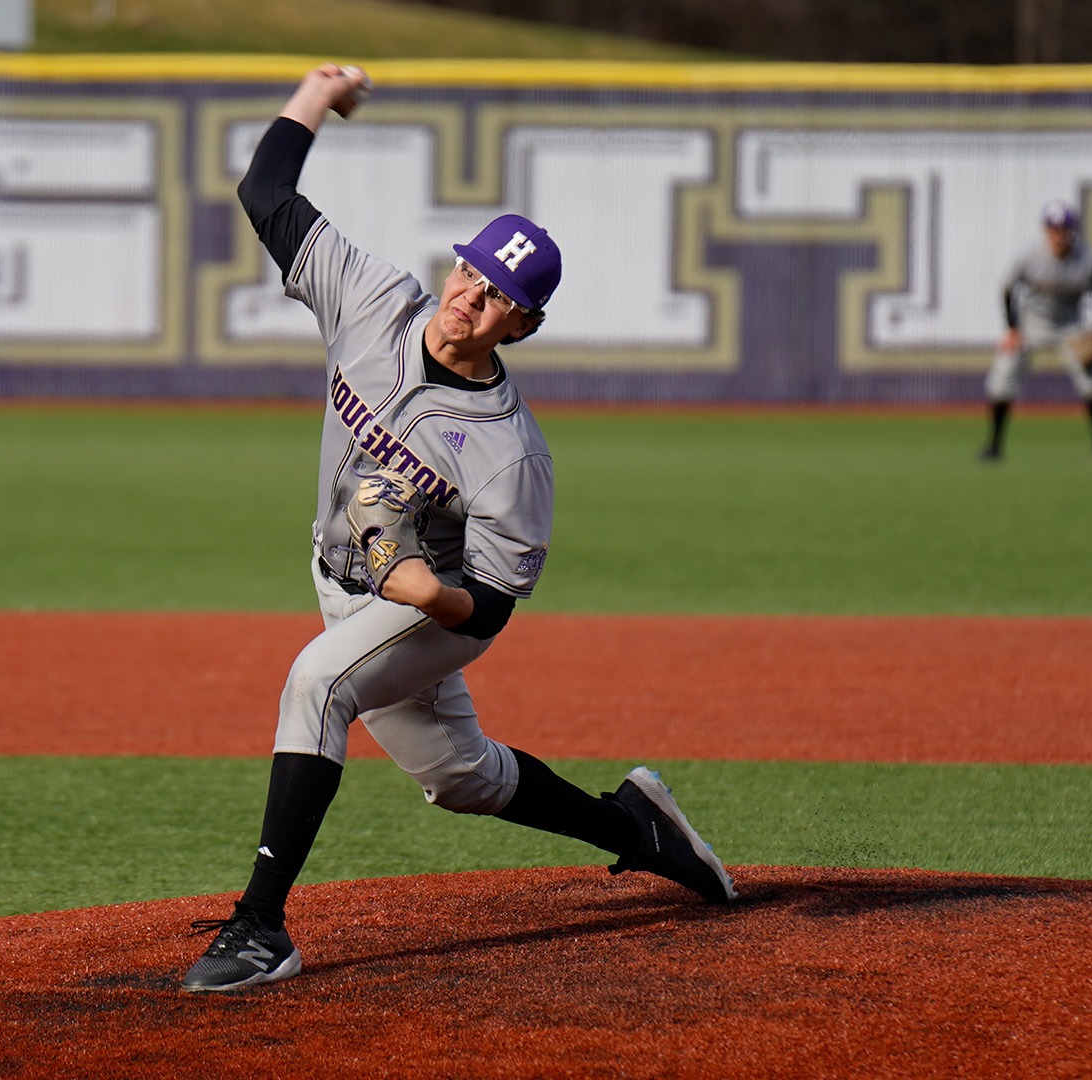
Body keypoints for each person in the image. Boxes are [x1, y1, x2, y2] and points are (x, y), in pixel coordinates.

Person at [181, 64, 738, 994]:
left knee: (316, 683)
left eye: (495, 295)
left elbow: (490, 609)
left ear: (523, 324)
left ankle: (259, 928)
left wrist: (422, 592)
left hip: (423, 611)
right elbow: (265, 192)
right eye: (469, 270)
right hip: (342, 576)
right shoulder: (370, 301)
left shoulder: (509, 453)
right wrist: (316, 98)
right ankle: (634, 826)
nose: (468, 297)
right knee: (461, 779)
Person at [981, 199, 1092, 464]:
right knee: (1002, 379)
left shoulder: (1088, 259)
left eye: (1064, 230)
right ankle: (994, 446)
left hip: (1069, 324)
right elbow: (1008, 289)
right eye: (1053, 229)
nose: (1058, 236)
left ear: (1072, 232)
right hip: (1031, 323)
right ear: (1045, 230)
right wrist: (1012, 330)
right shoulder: (1030, 255)